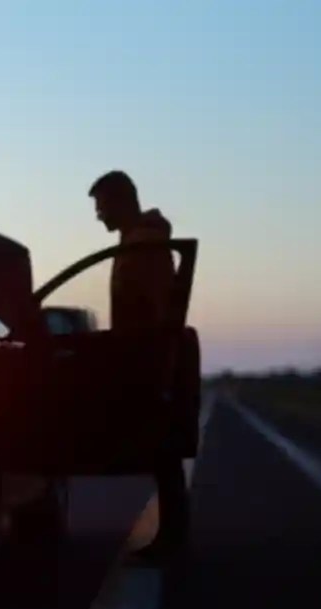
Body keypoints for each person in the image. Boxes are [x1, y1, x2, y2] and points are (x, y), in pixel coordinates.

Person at [88, 170, 190, 564]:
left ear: (121, 202)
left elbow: (158, 307)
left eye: (102, 207)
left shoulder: (144, 246)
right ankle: (172, 536)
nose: (98, 215)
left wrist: (157, 362)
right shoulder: (136, 242)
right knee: (160, 452)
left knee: (163, 452)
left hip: (148, 357)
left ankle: (173, 539)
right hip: (143, 355)